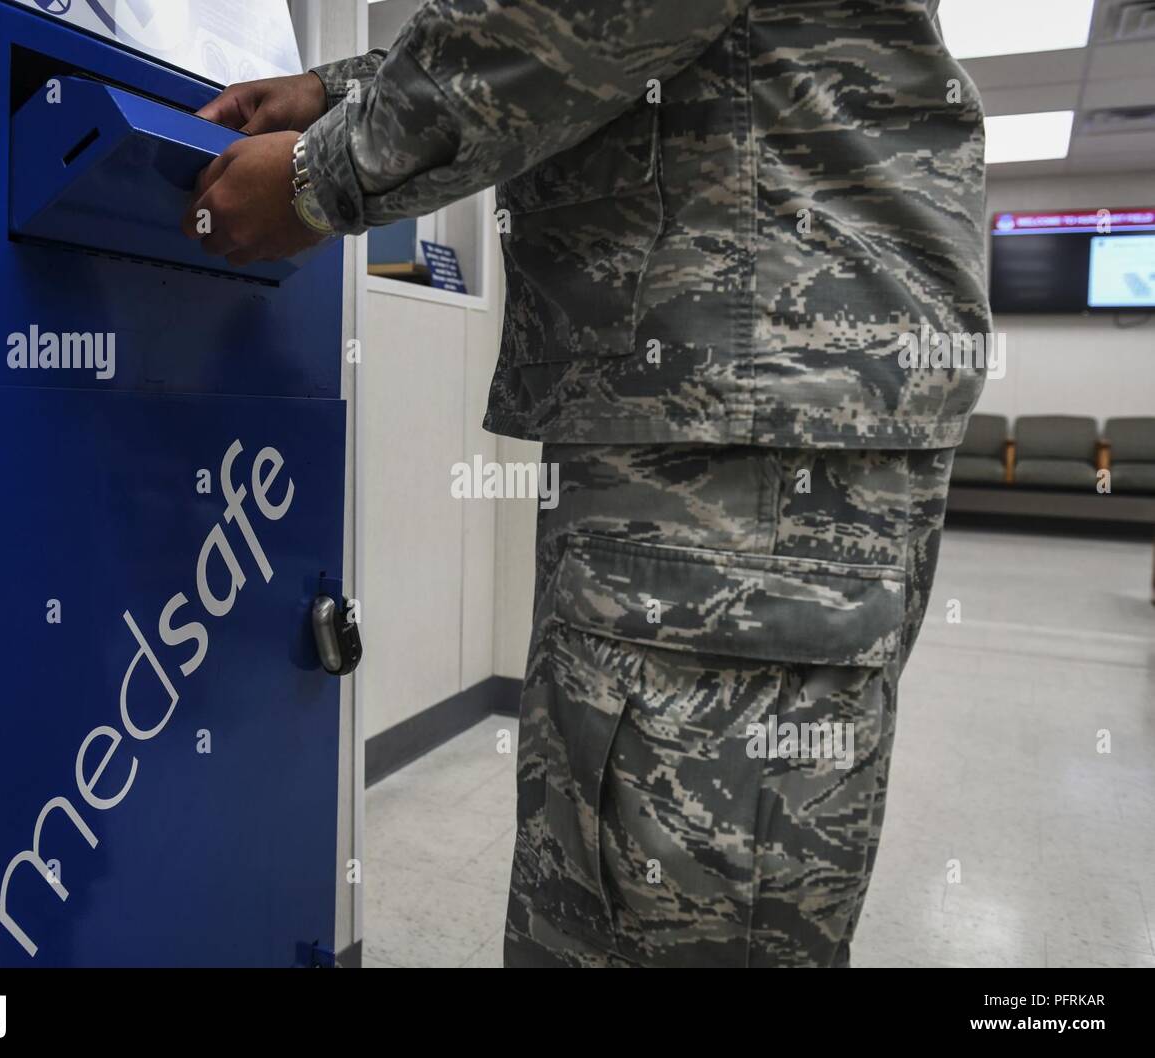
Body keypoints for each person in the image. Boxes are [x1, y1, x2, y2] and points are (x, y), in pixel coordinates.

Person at [184, 0, 991, 968]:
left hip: (737, 411)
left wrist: (322, 173)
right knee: (608, 892)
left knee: (658, 927)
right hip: (735, 406)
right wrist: (335, 92)